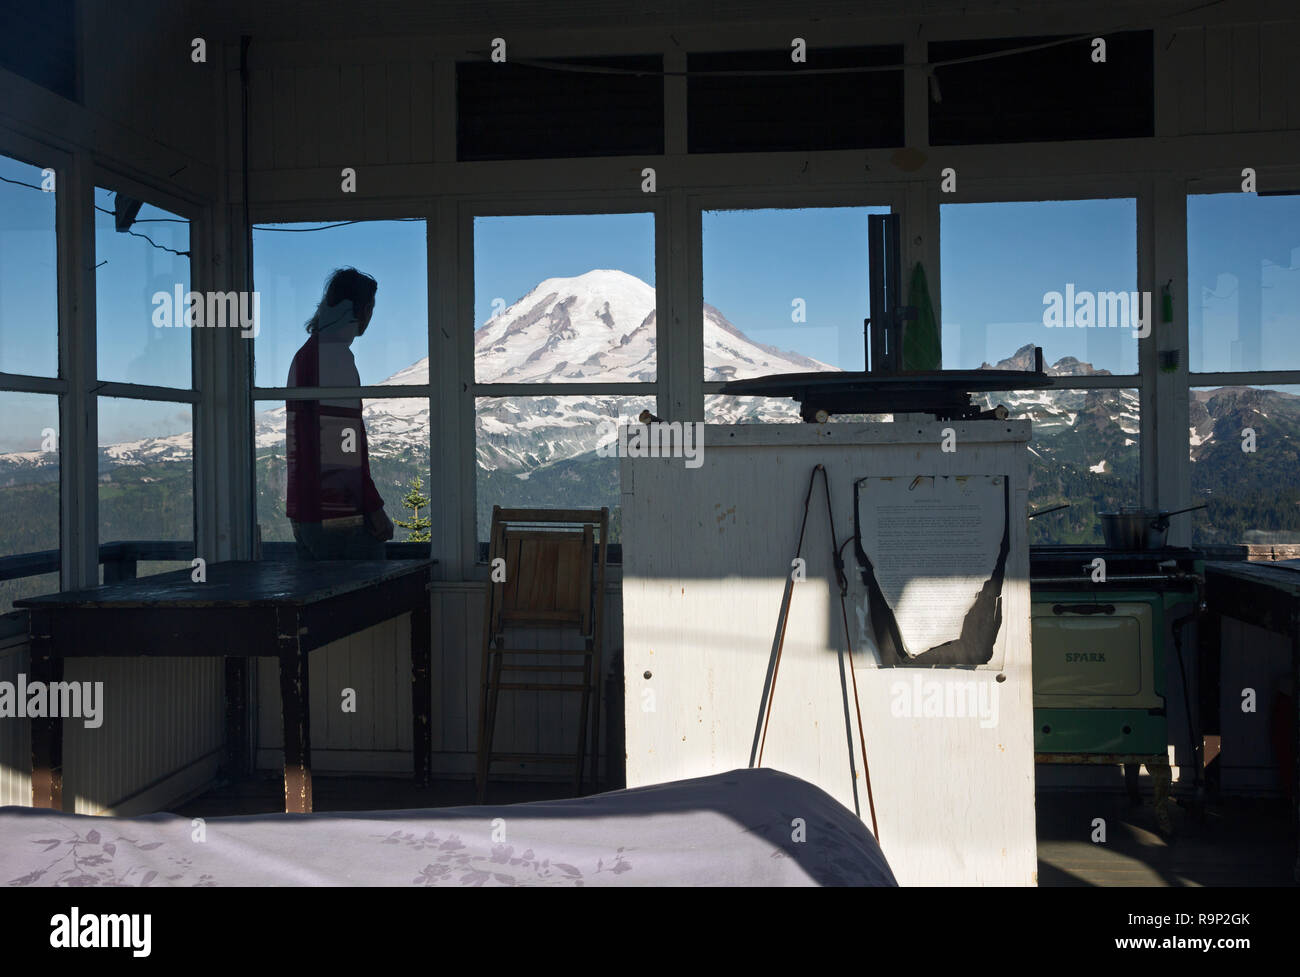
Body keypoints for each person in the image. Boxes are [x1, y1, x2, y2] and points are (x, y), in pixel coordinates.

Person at [286, 268, 395, 559]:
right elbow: (341, 447)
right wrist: (374, 508)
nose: (369, 317)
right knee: (366, 597)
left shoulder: (305, 354)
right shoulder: (334, 359)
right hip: (338, 513)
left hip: (304, 510)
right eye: (370, 307)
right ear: (360, 309)